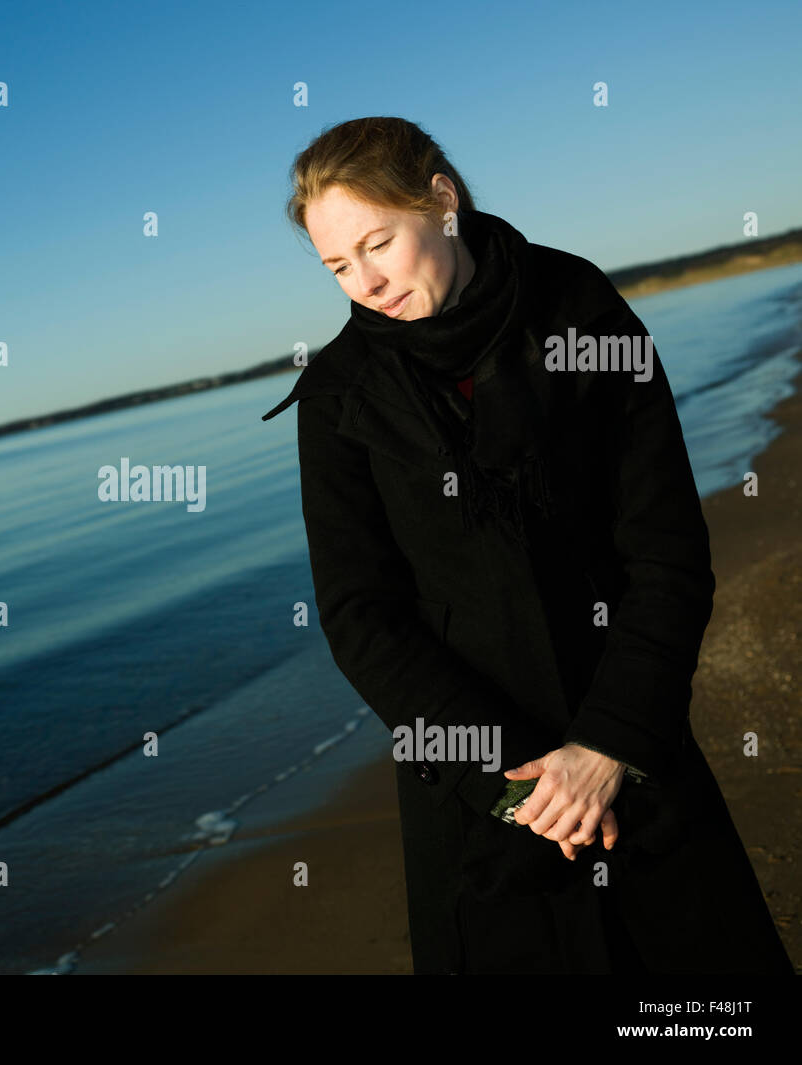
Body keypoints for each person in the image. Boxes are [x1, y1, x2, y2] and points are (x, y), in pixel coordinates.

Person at [261, 116, 793, 974]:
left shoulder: (577, 308)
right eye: (337, 265)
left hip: (631, 746)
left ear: (440, 201)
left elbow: (666, 551)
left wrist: (609, 744)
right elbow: (363, 617)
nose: (364, 281)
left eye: (376, 243)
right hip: (481, 798)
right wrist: (520, 781)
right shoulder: (339, 397)